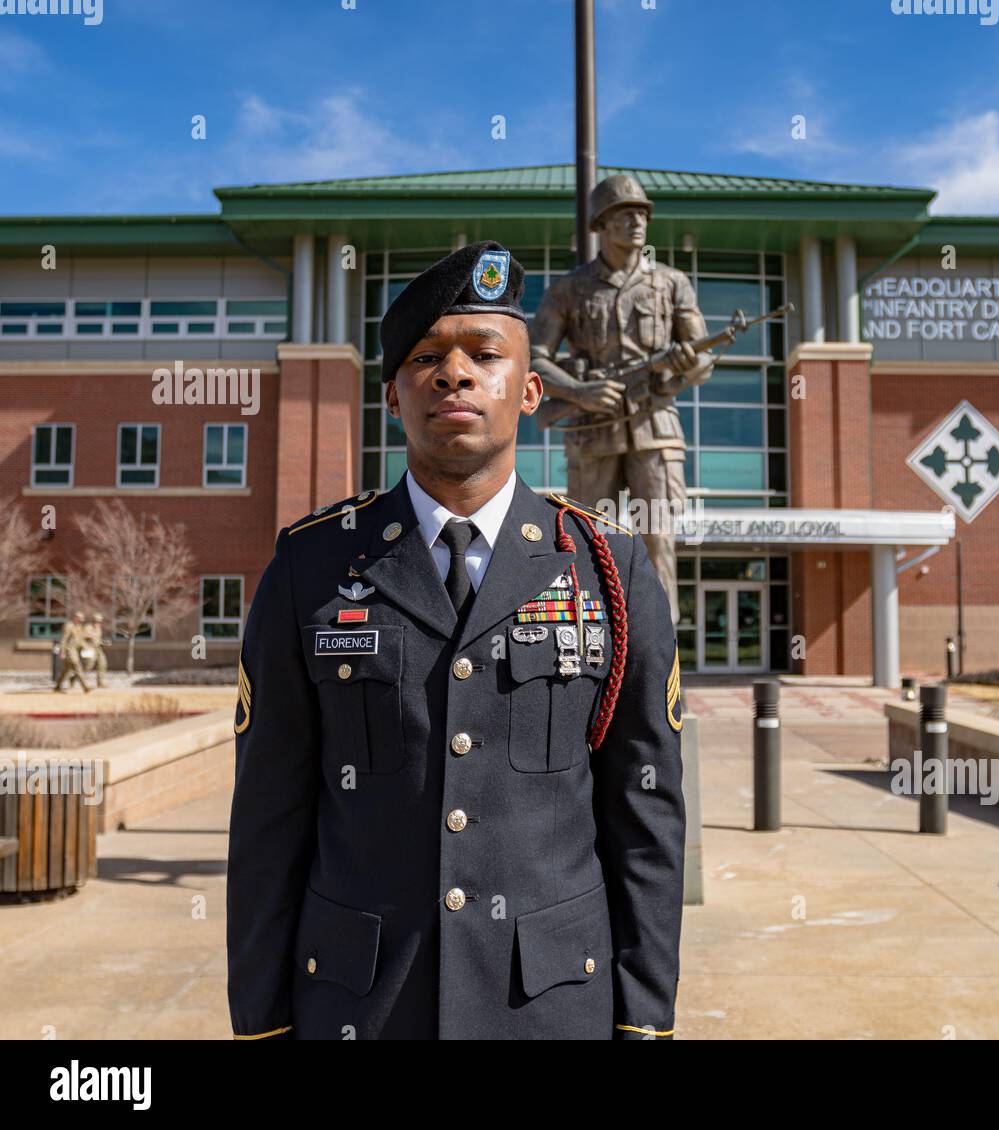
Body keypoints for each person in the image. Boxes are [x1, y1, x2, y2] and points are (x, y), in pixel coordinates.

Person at [226, 240, 686, 1040]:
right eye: (426, 357)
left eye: (485, 353)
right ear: (393, 396)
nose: (455, 373)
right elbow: (269, 815)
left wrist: (644, 1022)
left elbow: (644, 820)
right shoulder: (314, 566)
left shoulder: (609, 568)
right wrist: (261, 1023)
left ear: (532, 390)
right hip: (360, 1006)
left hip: (549, 1007)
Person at [529, 173, 717, 626]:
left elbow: (704, 363)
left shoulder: (672, 284)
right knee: (590, 539)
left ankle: (662, 666)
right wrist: (578, 391)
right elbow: (534, 357)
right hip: (594, 431)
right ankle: (593, 649)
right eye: (625, 214)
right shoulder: (569, 289)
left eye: (642, 214)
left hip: (655, 428)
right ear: (602, 223)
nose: (637, 221)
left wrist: (687, 363)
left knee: (658, 540)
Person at [54, 611, 91, 694]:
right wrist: (62, 652)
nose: (82, 620)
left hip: (76, 650)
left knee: (65, 671)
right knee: (77, 666)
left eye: (82, 618)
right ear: (75, 618)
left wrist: (86, 647)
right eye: (80, 618)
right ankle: (86, 687)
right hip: (69, 650)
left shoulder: (79, 627)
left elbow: (80, 640)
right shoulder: (69, 626)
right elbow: (64, 639)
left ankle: (57, 687)